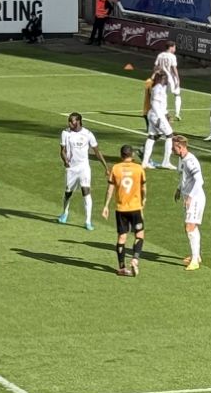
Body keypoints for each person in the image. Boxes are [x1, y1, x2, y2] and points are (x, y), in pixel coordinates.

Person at [103, 143, 147, 278]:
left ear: (121, 155)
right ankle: (135, 259)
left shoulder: (115, 168)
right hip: (135, 207)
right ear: (132, 154)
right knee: (139, 234)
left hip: (121, 208)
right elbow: (143, 187)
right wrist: (144, 199)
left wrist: (106, 206)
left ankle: (121, 267)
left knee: (122, 237)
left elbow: (110, 188)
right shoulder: (139, 169)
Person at [57, 112, 99, 229]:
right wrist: (65, 160)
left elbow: (97, 151)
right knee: (68, 192)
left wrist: (105, 166)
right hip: (71, 168)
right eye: (69, 121)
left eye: (72, 121)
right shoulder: (65, 133)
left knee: (86, 191)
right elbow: (62, 150)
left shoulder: (88, 134)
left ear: (79, 121)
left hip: (84, 167)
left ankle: (88, 221)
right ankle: (65, 212)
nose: (70, 123)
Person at [172, 134, 206, 271]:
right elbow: (184, 177)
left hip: (195, 198)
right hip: (188, 197)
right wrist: (179, 189)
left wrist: (191, 197)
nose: (172, 150)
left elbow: (199, 181)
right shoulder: (182, 159)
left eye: (173, 147)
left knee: (189, 227)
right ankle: (196, 256)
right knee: (190, 226)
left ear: (180, 147)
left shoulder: (191, 161)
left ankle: (195, 261)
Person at [141, 73, 174, 169]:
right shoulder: (158, 89)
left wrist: (167, 114)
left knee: (151, 136)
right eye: (165, 79)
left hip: (153, 114)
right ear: (161, 79)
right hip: (157, 115)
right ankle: (166, 161)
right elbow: (155, 104)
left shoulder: (159, 88)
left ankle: (145, 162)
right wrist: (160, 118)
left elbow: (161, 104)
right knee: (169, 135)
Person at [155, 40, 183, 120]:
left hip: (162, 78)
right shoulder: (172, 56)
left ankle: (163, 112)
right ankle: (177, 113)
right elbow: (174, 68)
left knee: (164, 95)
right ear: (171, 47)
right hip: (171, 78)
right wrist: (178, 78)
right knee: (177, 94)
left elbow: (156, 66)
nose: (175, 49)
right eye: (174, 47)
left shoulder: (160, 55)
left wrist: (156, 75)